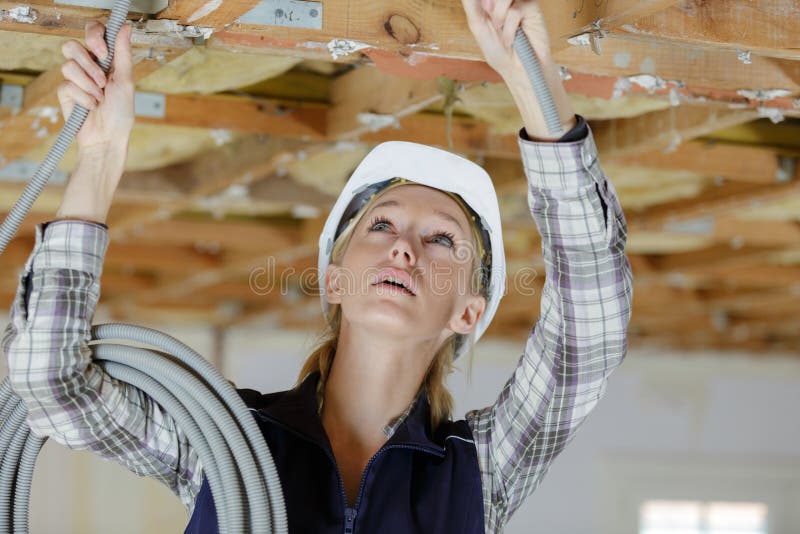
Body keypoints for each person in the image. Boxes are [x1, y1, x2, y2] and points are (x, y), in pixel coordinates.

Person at [2, 0, 633, 532]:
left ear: (468, 311)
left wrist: (535, 86)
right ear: (335, 280)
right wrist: (103, 155)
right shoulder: (227, 439)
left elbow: (589, 329)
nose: (403, 247)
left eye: (441, 241)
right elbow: (50, 383)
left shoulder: (480, 470)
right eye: (381, 224)